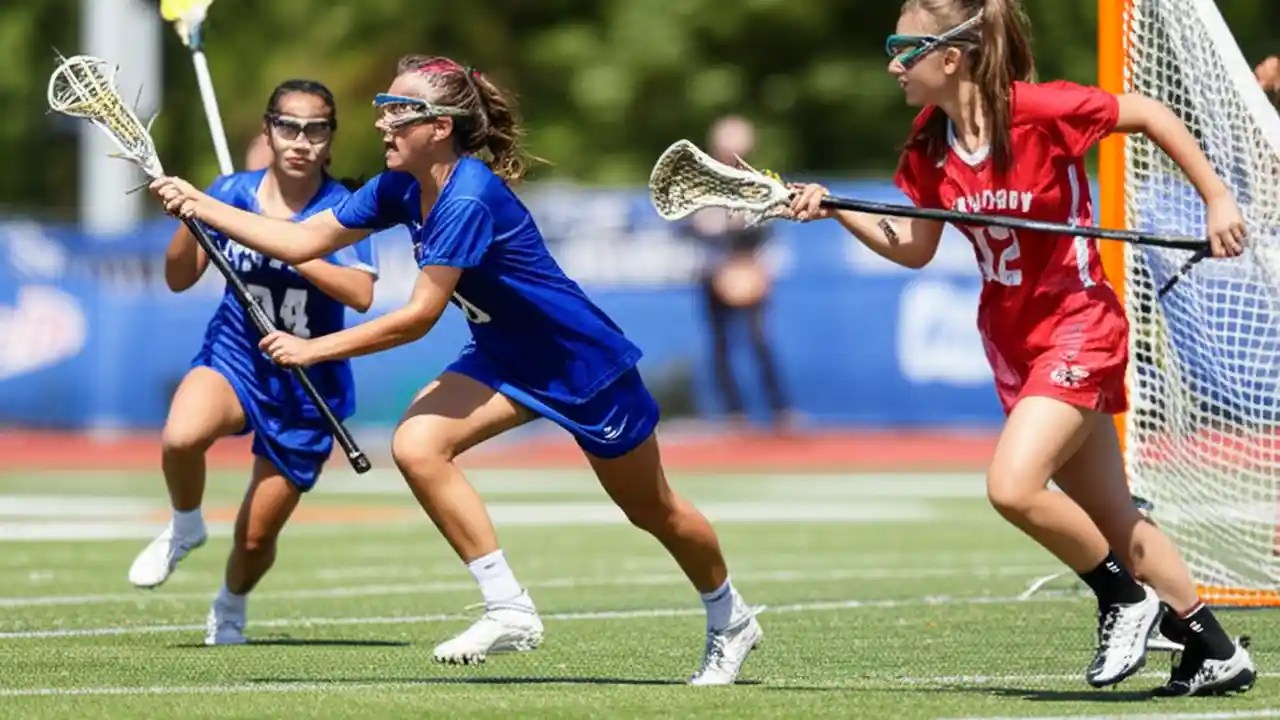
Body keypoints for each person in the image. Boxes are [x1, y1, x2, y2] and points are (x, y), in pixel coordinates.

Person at [149, 55, 760, 685]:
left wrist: (315, 349)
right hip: (502, 357)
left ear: (439, 127)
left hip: (582, 367)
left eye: (397, 111)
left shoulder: (468, 196)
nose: (382, 123)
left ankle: (730, 617)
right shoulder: (398, 186)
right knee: (417, 444)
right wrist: (200, 203)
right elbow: (302, 240)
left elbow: (417, 317)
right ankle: (508, 606)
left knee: (653, 510)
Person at [788, 0, 1254, 697]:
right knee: (1114, 516)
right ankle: (1214, 651)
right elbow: (913, 246)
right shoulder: (931, 141)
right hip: (1014, 340)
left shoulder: (1037, 110)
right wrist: (835, 208)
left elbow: (1150, 113)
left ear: (952, 57)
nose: (893, 65)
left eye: (903, 49)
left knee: (1012, 487)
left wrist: (1217, 198)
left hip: (1079, 324)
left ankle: (1123, 599)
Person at [128, 79, 379, 647]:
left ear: (331, 138)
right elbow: (178, 278)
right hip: (236, 354)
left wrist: (282, 240)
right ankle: (185, 526)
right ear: (268, 131)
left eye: (315, 130)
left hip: (307, 382)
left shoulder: (344, 207)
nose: (300, 141)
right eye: (288, 127)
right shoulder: (230, 192)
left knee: (254, 538)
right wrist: (190, 217)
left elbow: (359, 294)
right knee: (181, 436)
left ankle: (230, 605)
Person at [685, 115, 791, 432]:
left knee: (759, 340)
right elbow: (693, 226)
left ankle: (780, 408)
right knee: (720, 343)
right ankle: (734, 412)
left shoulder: (758, 181)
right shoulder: (700, 181)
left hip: (749, 270)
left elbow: (768, 228)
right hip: (714, 269)